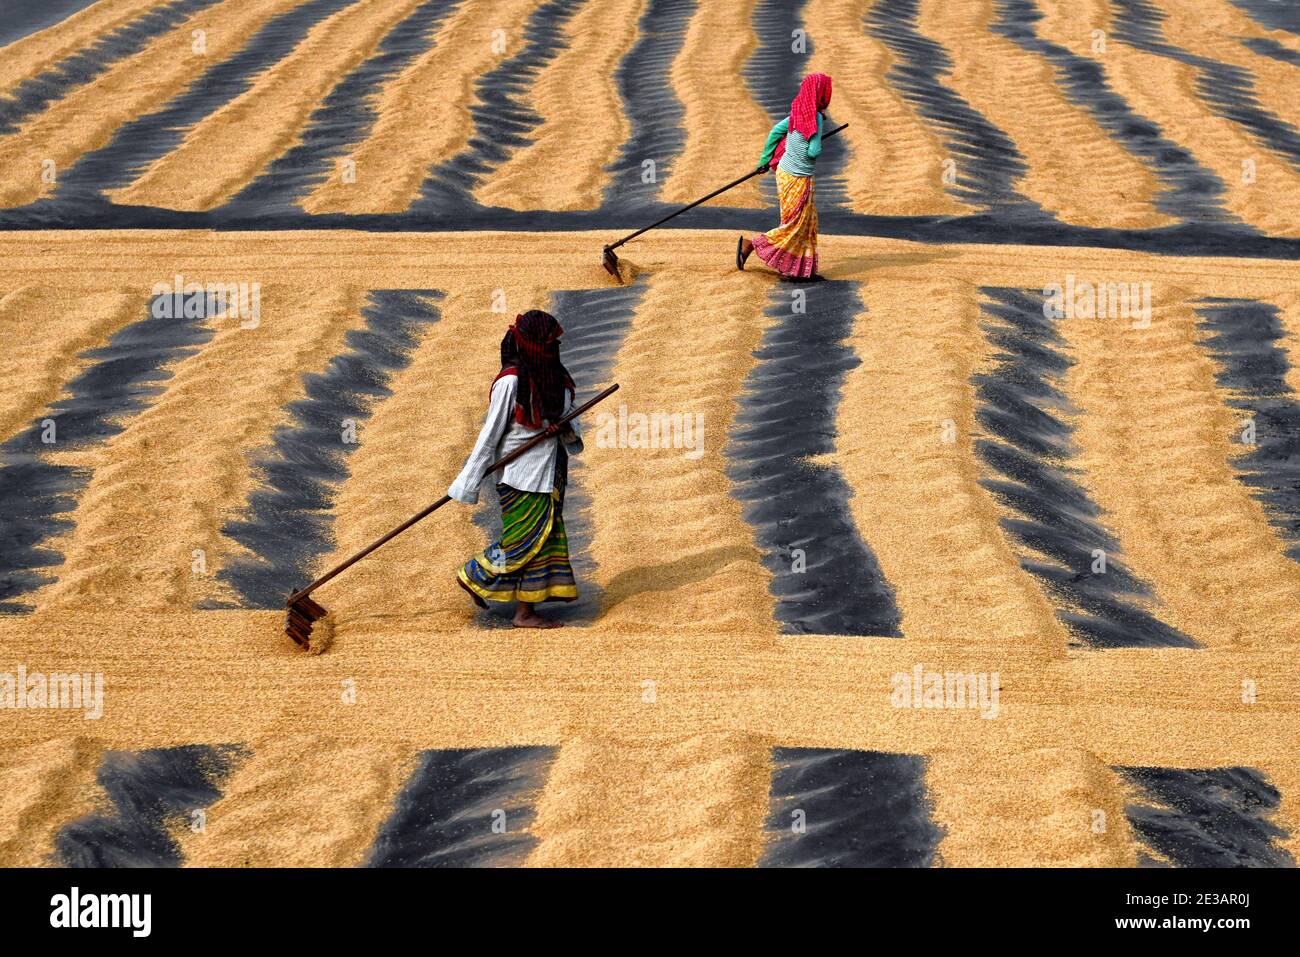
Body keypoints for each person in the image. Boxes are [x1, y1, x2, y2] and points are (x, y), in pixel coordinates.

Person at [449, 311, 582, 628]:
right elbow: (489, 434)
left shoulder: (558, 378)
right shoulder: (510, 382)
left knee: (544, 541)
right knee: (522, 542)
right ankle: (475, 574)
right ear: (534, 344)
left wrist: (562, 428)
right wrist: (467, 483)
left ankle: (525, 612)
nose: (555, 347)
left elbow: (571, 423)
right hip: (519, 475)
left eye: (556, 342)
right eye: (550, 342)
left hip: (551, 472)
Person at [737, 72, 833, 281]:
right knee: (797, 224)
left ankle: (799, 270)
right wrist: (816, 140)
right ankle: (751, 245)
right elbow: (813, 152)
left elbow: (774, 132)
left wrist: (764, 161)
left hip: (784, 174)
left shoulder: (797, 112)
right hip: (799, 177)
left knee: (804, 222)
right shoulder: (815, 117)